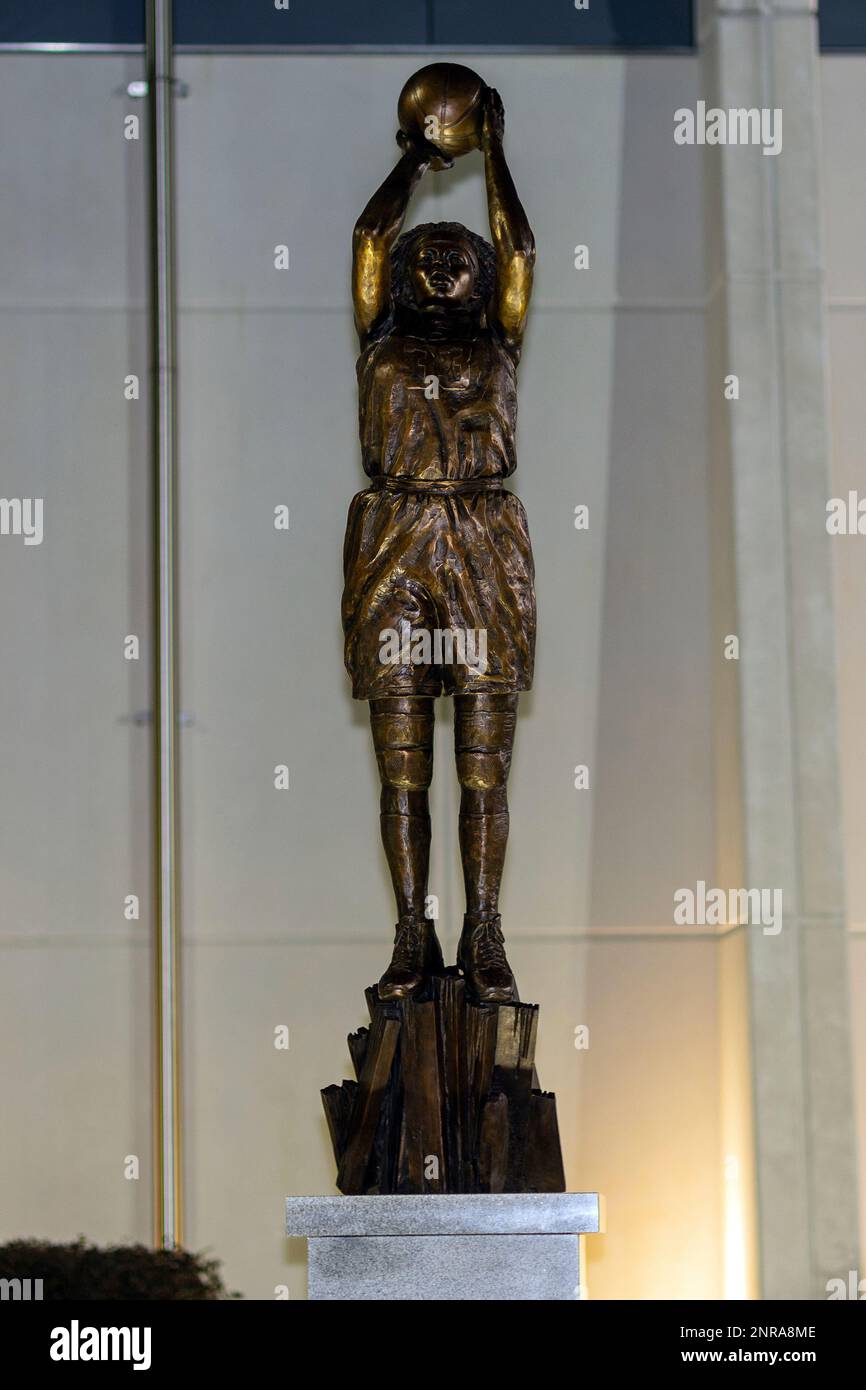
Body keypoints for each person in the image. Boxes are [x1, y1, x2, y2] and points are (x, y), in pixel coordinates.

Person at [343, 88, 536, 1003]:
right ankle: (411, 929)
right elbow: (370, 242)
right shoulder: (381, 337)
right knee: (403, 758)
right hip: (397, 538)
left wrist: (492, 148)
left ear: (484, 279)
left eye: (458, 256)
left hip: (484, 540)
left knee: (483, 760)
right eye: (429, 254)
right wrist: (416, 160)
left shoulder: (500, 337)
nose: (437, 264)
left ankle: (485, 925)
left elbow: (524, 249)